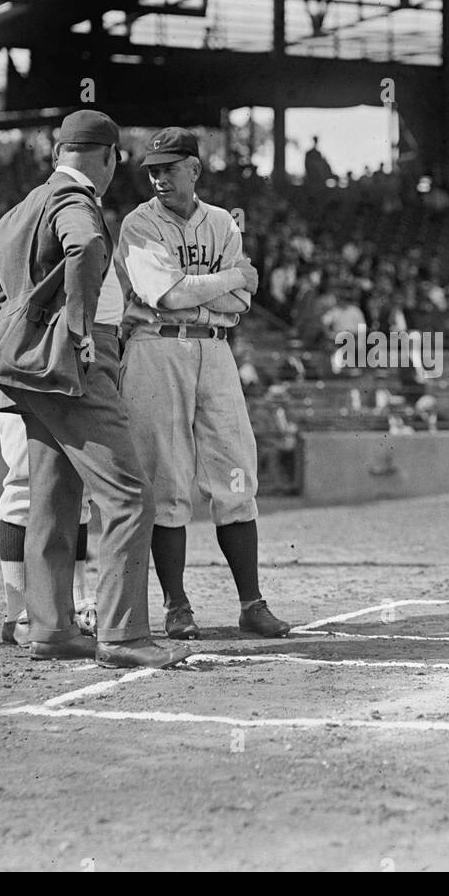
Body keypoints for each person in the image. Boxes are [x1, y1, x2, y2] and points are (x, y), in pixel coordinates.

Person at [0, 110, 184, 670]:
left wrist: (28, 322)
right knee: (129, 495)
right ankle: (123, 635)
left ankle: (52, 629)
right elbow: (85, 249)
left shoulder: (25, 205)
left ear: (59, 151)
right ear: (108, 157)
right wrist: (75, 328)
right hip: (76, 364)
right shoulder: (76, 201)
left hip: (32, 370)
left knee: (54, 497)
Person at [115, 126, 292, 640]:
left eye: (169, 168)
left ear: (194, 168)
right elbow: (167, 296)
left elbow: (238, 308)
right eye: (152, 170)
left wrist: (210, 293)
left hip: (215, 348)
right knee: (167, 480)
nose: (158, 178)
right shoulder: (138, 223)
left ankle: (251, 602)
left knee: (236, 470)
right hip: (155, 347)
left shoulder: (222, 223)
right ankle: (176, 606)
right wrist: (234, 279)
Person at [0, 219, 96, 647]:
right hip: (26, 370)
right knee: (24, 486)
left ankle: (74, 603)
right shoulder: (23, 222)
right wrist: (15, 330)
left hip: (65, 370)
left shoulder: (73, 218)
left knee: (76, 489)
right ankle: (18, 613)